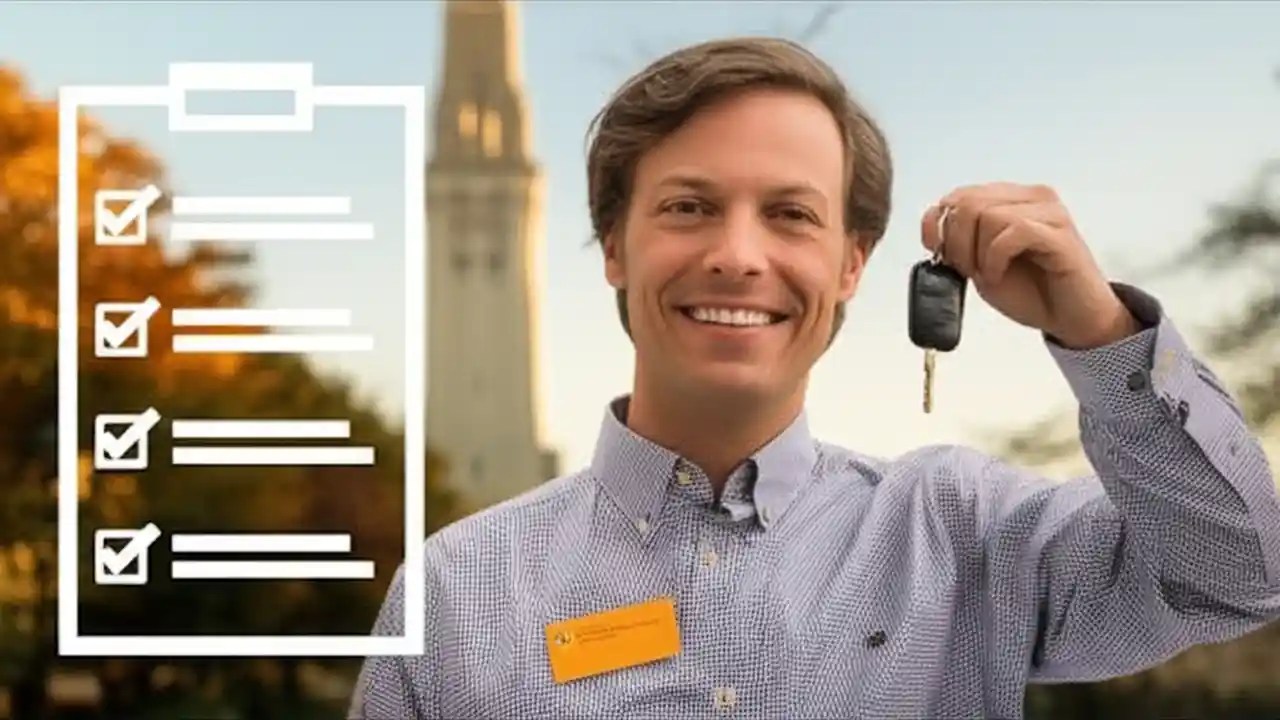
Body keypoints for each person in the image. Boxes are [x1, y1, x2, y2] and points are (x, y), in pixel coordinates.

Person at [350, 37, 1280, 719]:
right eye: (688, 206)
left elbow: (1240, 575)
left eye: (791, 214)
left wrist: (1102, 333)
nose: (737, 255)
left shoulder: (962, 534)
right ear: (613, 249)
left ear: (852, 265)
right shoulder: (457, 592)